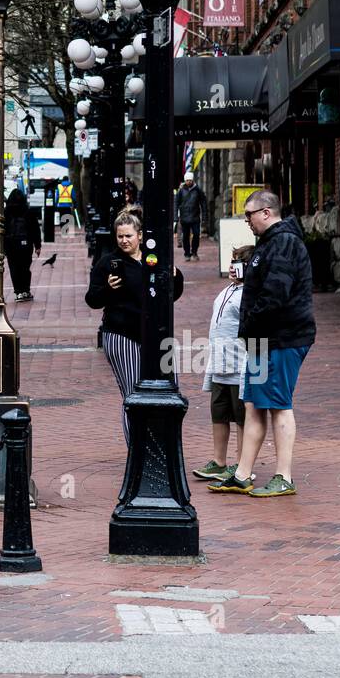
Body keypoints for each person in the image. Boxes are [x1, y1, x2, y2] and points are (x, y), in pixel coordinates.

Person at [210, 191, 316, 498]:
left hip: (282, 338)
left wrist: (252, 320)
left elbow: (276, 295)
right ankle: (242, 474)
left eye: (249, 215)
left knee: (279, 405)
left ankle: (284, 476)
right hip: (261, 339)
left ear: (266, 212)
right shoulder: (269, 244)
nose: (247, 221)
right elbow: (267, 284)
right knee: (253, 403)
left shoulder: (283, 242)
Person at [85, 210, 184, 444]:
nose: (124, 241)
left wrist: (175, 276)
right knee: (134, 393)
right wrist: (108, 288)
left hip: (157, 335)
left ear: (140, 235)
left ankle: (164, 446)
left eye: (128, 236)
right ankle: (138, 450)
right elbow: (92, 299)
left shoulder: (154, 258)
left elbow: (171, 296)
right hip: (122, 335)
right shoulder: (108, 263)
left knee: (171, 390)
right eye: (120, 236)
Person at [191, 244, 254, 481]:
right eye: (231, 261)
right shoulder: (227, 290)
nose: (231, 266)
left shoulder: (249, 294)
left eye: (237, 262)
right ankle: (219, 461)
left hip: (238, 365)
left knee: (241, 417)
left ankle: (241, 463)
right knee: (218, 414)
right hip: (219, 365)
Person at [4, 187, 41, 301]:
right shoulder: (28, 211)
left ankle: (18, 292)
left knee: (14, 268)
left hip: (11, 245)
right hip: (26, 245)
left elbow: (3, 229)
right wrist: (37, 246)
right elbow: (35, 229)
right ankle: (26, 290)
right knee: (25, 268)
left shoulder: (6, 212)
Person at [175, 170, 207, 261]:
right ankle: (187, 254)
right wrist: (175, 217)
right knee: (185, 236)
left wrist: (204, 217)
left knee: (196, 235)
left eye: (190, 180)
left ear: (192, 180)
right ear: (185, 181)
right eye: (187, 180)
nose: (188, 182)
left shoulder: (198, 190)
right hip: (184, 218)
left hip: (195, 217)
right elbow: (176, 203)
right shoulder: (181, 191)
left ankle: (194, 252)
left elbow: (203, 203)